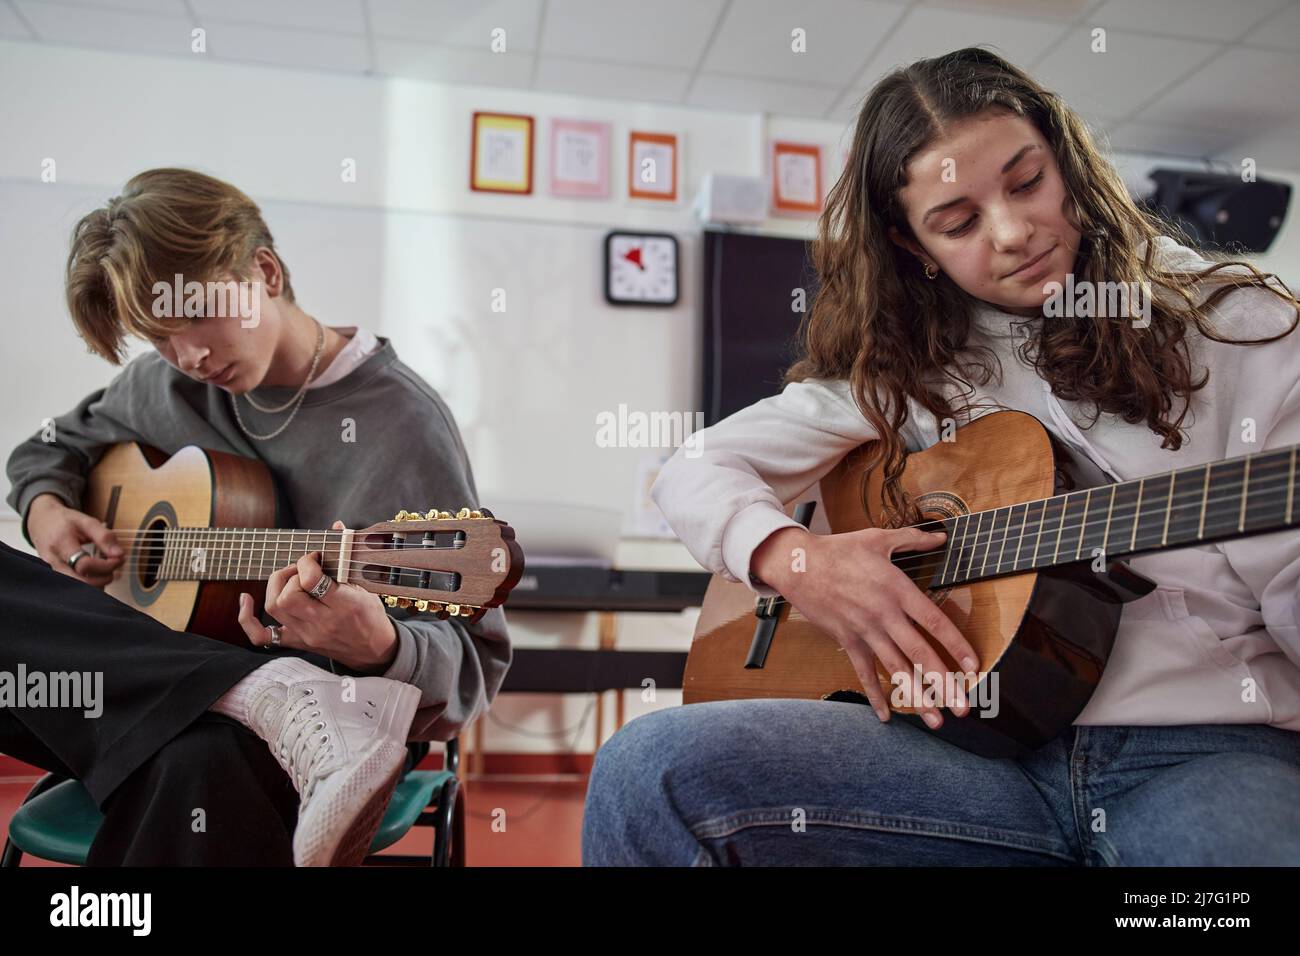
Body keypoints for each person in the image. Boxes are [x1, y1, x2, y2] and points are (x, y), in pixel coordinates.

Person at [582, 47, 1300, 866]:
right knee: (651, 771)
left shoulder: (1234, 325)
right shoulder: (911, 365)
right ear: (912, 243)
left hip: (1210, 748)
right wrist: (803, 564)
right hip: (968, 753)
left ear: (1067, 162)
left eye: (1028, 182)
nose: (1013, 232)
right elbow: (695, 466)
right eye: (958, 222)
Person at [4, 168, 510, 865]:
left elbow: (472, 666)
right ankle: (261, 691)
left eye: (198, 318)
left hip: (310, 730)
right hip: (158, 699)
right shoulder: (163, 384)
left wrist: (381, 648)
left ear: (265, 272)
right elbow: (47, 448)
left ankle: (282, 700)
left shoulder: (403, 426)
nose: (189, 356)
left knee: (192, 765)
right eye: (160, 337)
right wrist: (47, 509)